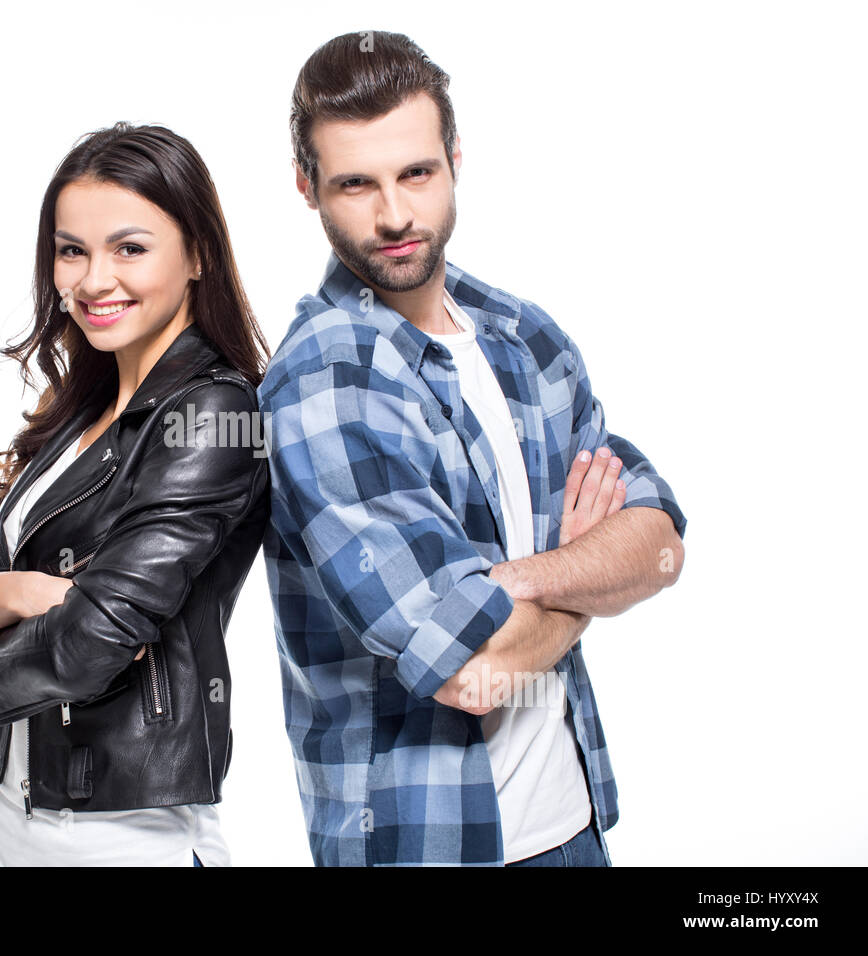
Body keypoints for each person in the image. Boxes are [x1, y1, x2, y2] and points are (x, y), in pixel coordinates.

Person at [258, 31, 688, 866]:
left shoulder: (522, 335)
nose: (393, 215)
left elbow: (662, 539)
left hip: (575, 825)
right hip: (430, 845)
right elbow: (469, 674)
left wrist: (527, 579)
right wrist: (590, 568)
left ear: (456, 157)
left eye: (415, 172)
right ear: (307, 189)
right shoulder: (324, 382)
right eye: (356, 184)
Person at [0, 122, 270, 867]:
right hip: (15, 822)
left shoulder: (215, 415)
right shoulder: (81, 405)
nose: (93, 279)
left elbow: (87, 645)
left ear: (198, 252)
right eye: (72, 250)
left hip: (123, 837)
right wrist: (17, 591)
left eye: (129, 248)